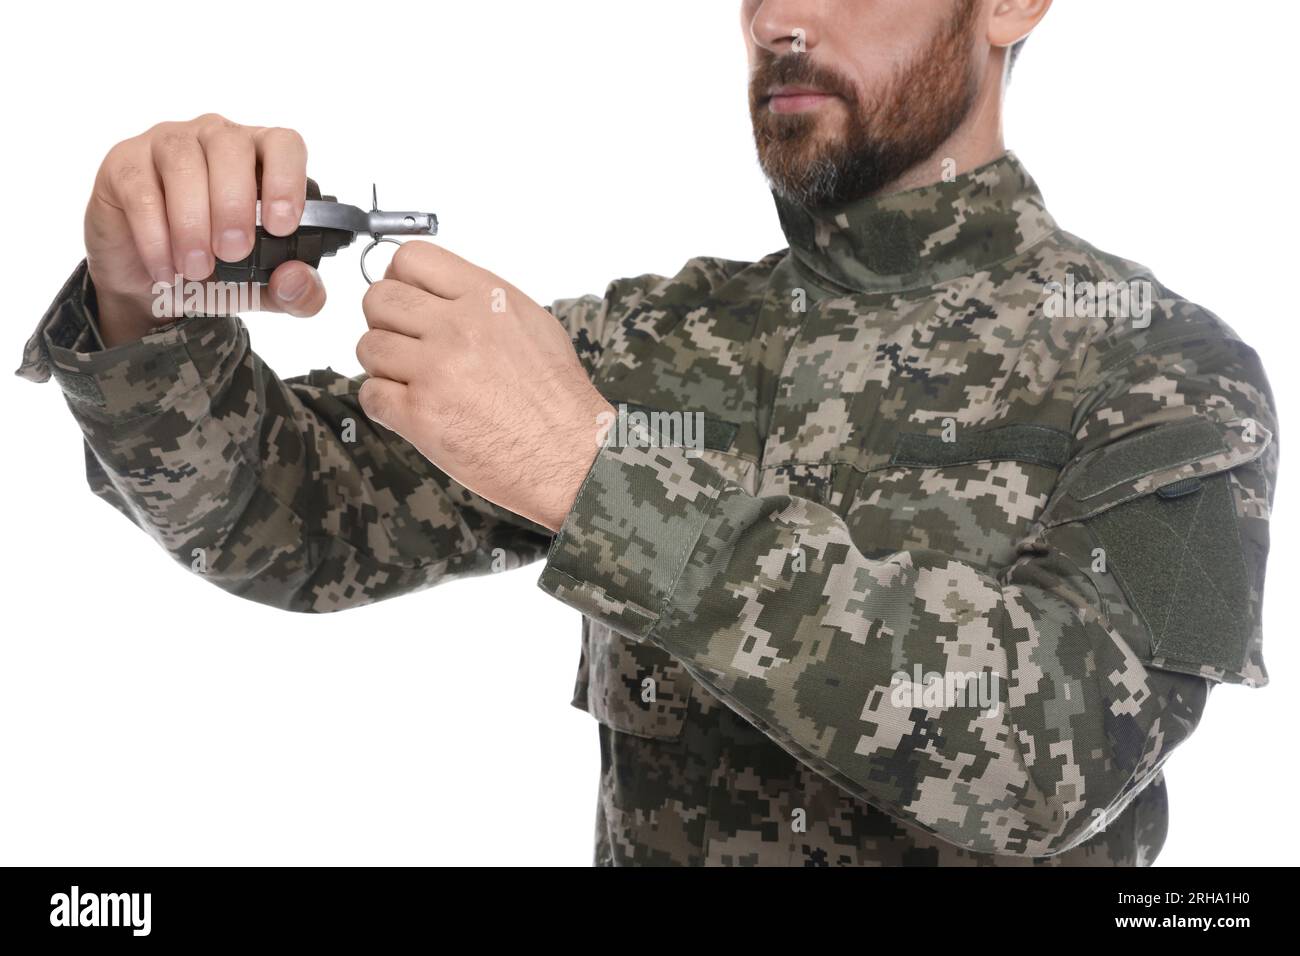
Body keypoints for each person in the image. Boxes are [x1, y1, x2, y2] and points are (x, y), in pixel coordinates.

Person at [18, 0, 1276, 866]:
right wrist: (142, 298)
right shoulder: (654, 344)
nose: (779, 17)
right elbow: (282, 520)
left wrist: (596, 480)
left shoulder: (1171, 374)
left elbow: (1053, 751)